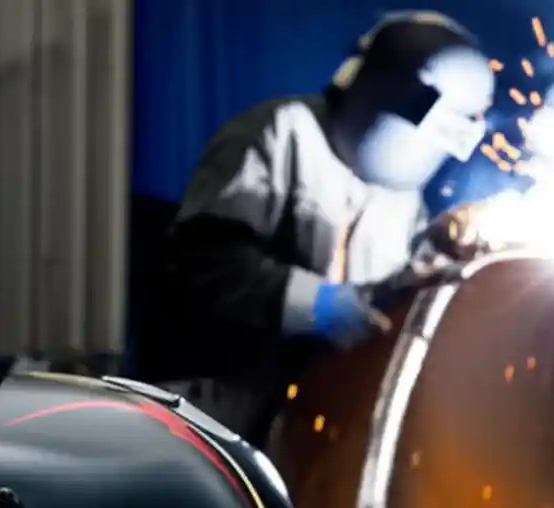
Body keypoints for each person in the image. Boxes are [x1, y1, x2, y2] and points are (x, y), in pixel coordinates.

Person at [139, 11, 496, 445]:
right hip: (209, 415)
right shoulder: (283, 133)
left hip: (312, 427)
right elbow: (201, 265)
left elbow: (375, 310)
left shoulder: (403, 203)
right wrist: (315, 304)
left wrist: (434, 257)